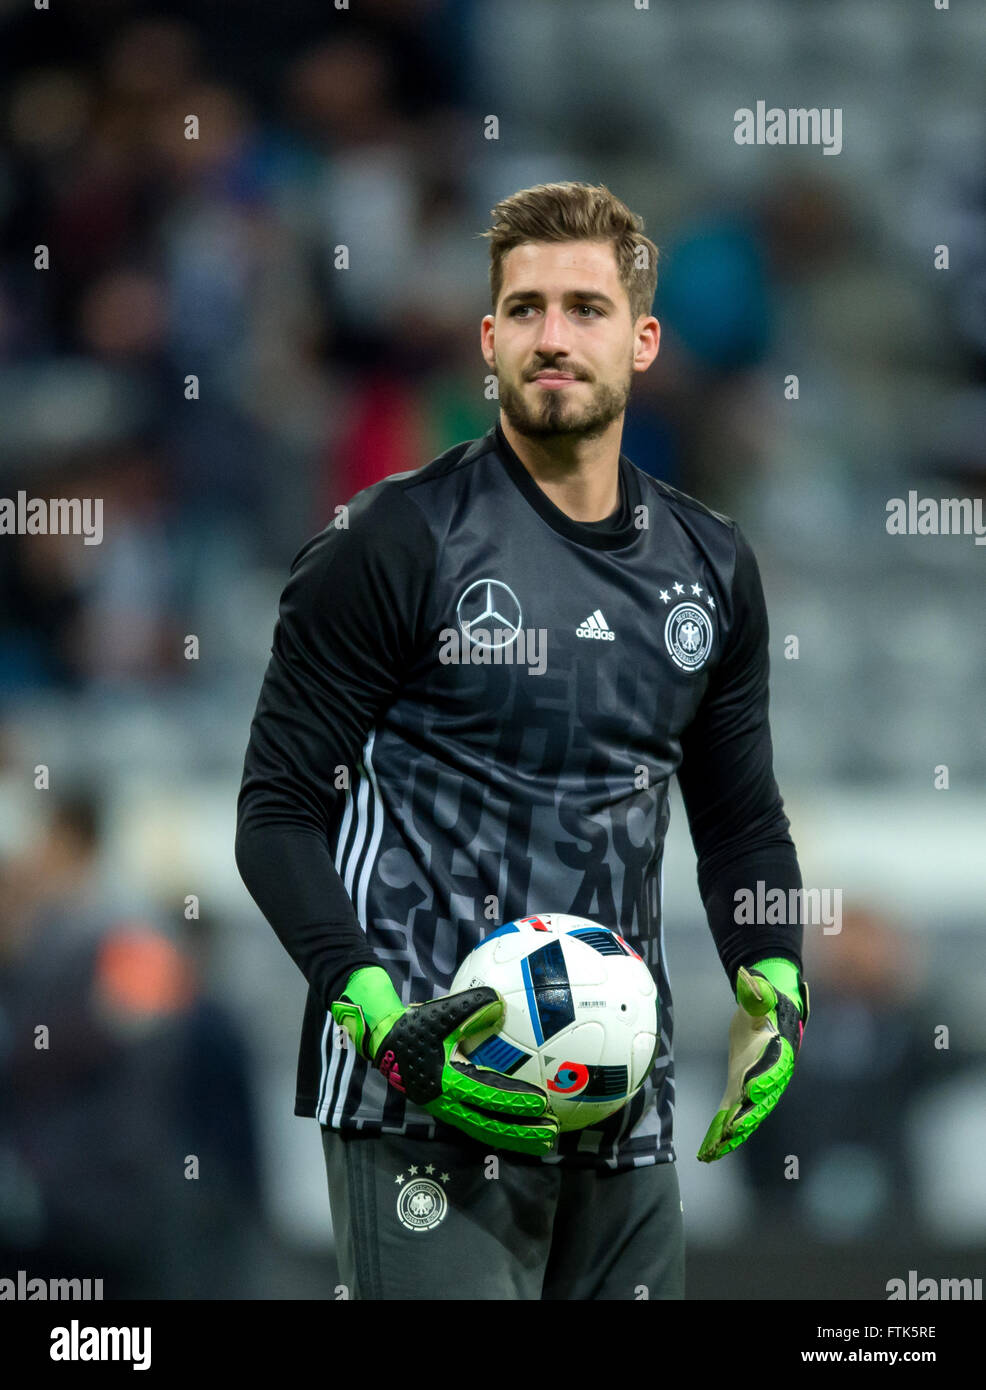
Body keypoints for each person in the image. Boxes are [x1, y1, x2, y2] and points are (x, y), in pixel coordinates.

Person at [235, 180, 808, 1300]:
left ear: (642, 341)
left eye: (585, 309)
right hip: (421, 1094)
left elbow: (740, 818)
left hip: (617, 1099)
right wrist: (376, 1016)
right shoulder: (391, 541)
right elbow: (275, 814)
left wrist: (772, 982)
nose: (554, 336)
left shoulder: (709, 566)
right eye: (527, 308)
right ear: (487, 337)